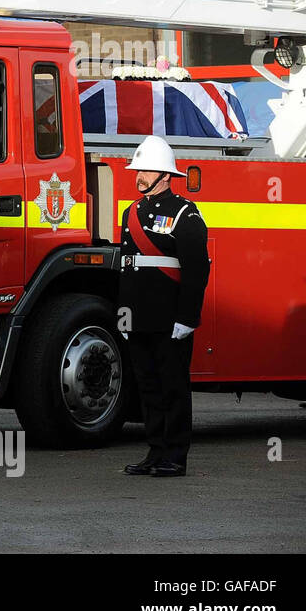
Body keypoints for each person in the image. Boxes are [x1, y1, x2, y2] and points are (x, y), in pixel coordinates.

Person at [119, 135, 211, 478]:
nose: (139, 175)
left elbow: (196, 268)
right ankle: (155, 452)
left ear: (165, 176)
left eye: (146, 170)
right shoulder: (131, 212)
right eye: (139, 169)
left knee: (173, 387)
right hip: (139, 316)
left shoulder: (185, 212)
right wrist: (123, 315)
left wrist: (188, 317)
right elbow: (127, 267)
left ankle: (175, 456)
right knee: (148, 387)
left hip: (170, 317)